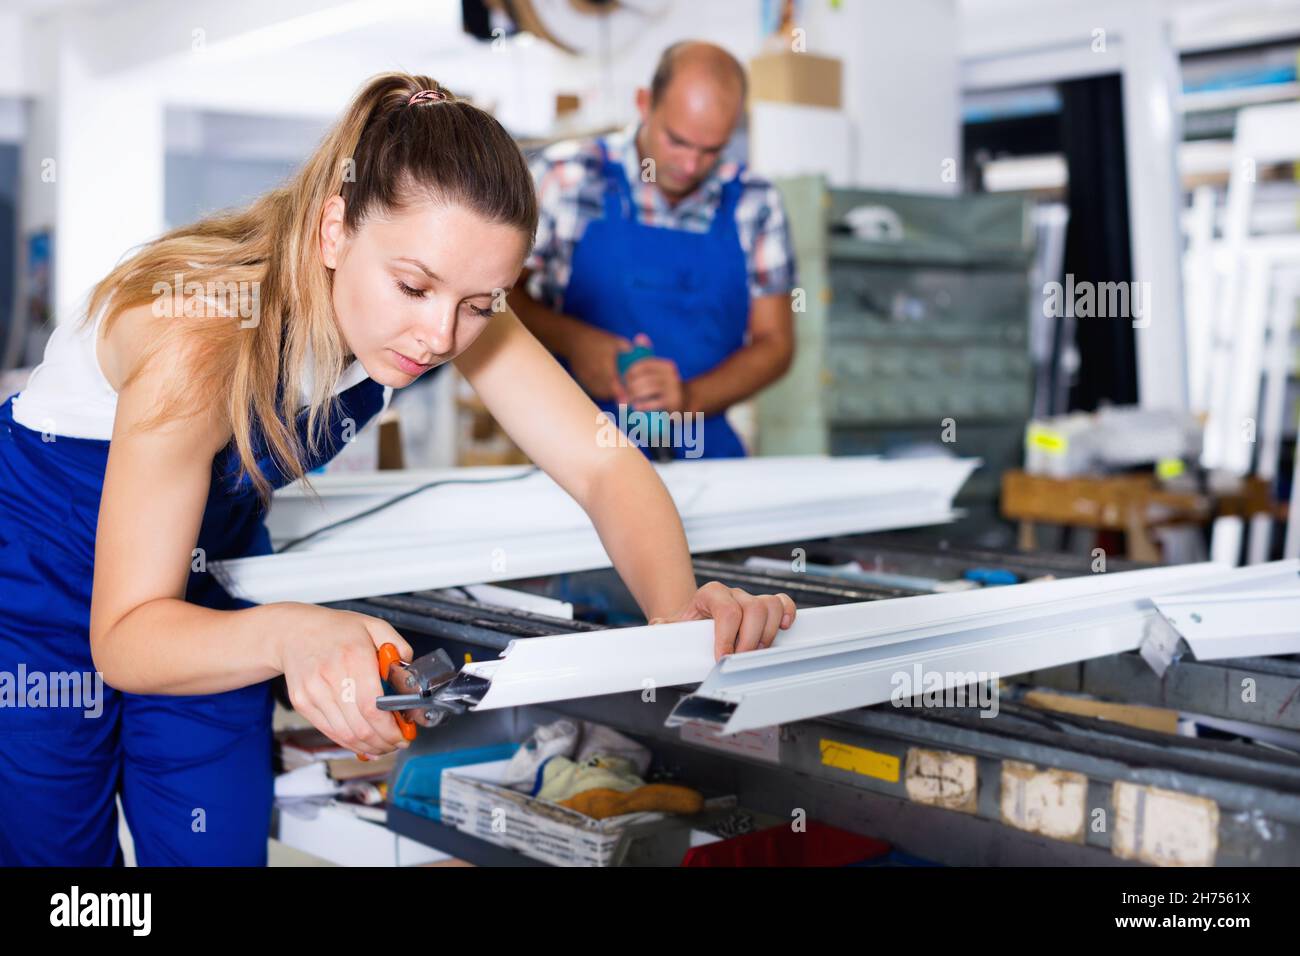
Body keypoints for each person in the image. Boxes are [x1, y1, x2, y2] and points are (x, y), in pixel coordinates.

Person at [0, 73, 796, 866]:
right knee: (62, 867)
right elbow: (127, 638)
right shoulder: (199, 343)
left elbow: (603, 469)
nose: (442, 336)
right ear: (334, 230)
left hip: (208, 574)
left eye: (481, 303)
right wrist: (297, 632)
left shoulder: (446, 302)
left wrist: (676, 621)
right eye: (413, 287)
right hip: (44, 581)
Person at [510, 41, 797, 460]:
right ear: (644, 103)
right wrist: (573, 341)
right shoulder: (564, 179)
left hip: (704, 447)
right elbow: (498, 301)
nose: (690, 165)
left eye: (711, 150)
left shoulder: (756, 203)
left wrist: (689, 397)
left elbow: (776, 344)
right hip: (574, 448)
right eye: (677, 141)